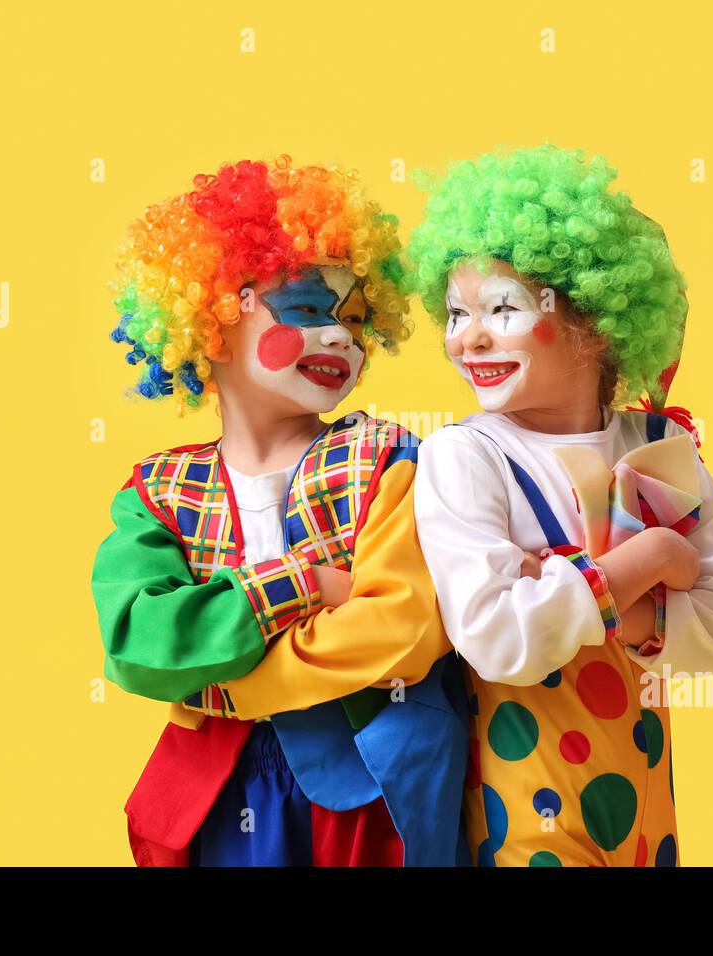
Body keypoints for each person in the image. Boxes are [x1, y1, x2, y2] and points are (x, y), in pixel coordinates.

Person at [92, 157, 468, 867]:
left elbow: (399, 632)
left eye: (355, 321)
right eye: (305, 308)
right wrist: (301, 583)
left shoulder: (389, 461)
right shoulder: (158, 491)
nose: (340, 338)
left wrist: (223, 685)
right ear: (213, 320)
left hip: (368, 791)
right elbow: (139, 643)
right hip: (216, 795)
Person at [407, 144, 713, 867]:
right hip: (526, 806)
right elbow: (498, 638)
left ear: (598, 324)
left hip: (647, 810)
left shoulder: (663, 445)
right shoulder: (465, 456)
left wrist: (574, 589)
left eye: (501, 309)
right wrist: (654, 561)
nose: (466, 337)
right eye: (454, 313)